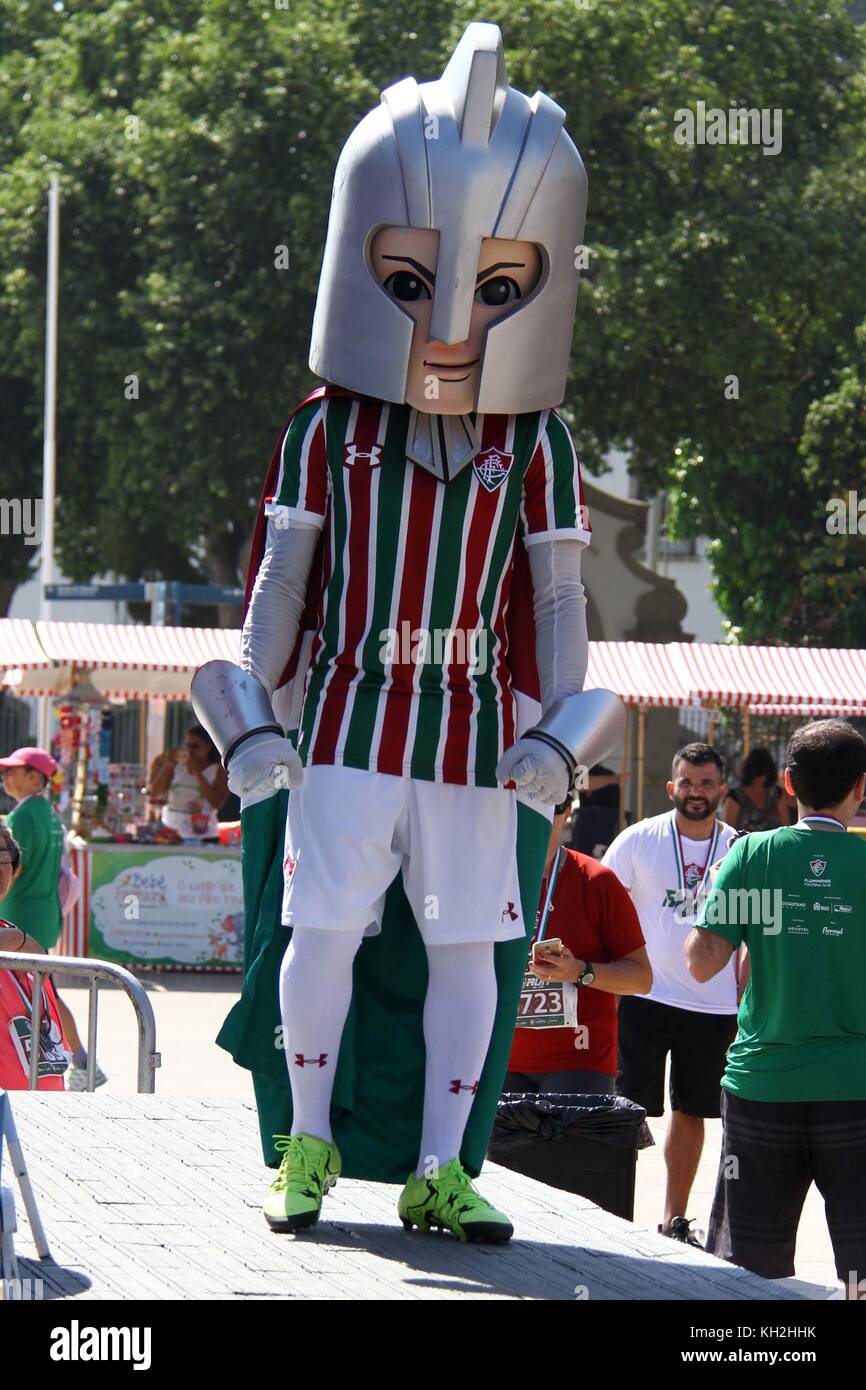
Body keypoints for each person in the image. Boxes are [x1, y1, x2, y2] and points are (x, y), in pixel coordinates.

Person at [194, 22, 613, 1243]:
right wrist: (252, 714)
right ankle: (304, 1147)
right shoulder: (323, 427)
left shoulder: (535, 439)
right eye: (411, 278)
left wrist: (561, 733)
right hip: (341, 715)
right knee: (317, 934)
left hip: (474, 732)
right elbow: (280, 585)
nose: (446, 322)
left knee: (464, 956)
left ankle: (442, 1162)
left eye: (496, 288)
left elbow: (555, 604)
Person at [686, 720, 866, 1295]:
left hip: (763, 1088)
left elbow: (701, 962)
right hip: (854, 1089)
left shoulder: (753, 855)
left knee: (751, 1272)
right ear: (861, 787)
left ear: (788, 782)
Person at [602, 743, 738, 1246]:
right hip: (645, 995)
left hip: (714, 1004)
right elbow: (605, 911)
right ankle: (609, 1214)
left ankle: (673, 1220)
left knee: (692, 1113)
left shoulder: (740, 848)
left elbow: (757, 930)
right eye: (687, 783)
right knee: (623, 1109)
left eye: (706, 784)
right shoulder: (638, 840)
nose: (696, 793)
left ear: (722, 790)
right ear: (670, 787)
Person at [505, 799, 651, 1094]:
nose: (542, 815)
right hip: (501, 1059)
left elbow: (641, 978)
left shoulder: (597, 881)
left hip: (579, 1059)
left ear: (569, 811)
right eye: (530, 803)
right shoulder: (487, 879)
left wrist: (580, 971)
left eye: (554, 806)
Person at [0, 748, 106, 1089]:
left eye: (13, 771)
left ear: (35, 777)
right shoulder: (50, 814)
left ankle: (82, 1062)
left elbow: (17, 865)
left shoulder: (22, 817)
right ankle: (80, 1061)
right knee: (43, 993)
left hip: (20, 914)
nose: (6, 777)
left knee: (44, 995)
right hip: (43, 914)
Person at [0, 825, 69, 1091]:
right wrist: (21, 940)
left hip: (35, 1116)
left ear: (15, 872)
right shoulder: (18, 941)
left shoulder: (14, 938)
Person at [146, 724, 228, 840]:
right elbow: (155, 793)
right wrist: (167, 767)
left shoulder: (217, 770)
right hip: (170, 832)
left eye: (195, 746)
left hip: (203, 834)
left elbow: (216, 802)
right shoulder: (177, 767)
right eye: (187, 746)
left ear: (208, 747)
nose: (190, 751)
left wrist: (197, 773)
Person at [723, 747, 784, 832]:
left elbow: (786, 826)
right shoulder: (735, 797)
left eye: (766, 771)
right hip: (745, 844)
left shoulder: (776, 794)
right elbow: (728, 833)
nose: (763, 777)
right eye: (760, 772)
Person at [568, 764, 621, 857]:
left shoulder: (605, 772)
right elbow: (582, 785)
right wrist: (612, 779)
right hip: (586, 825)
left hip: (606, 823)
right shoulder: (581, 769)